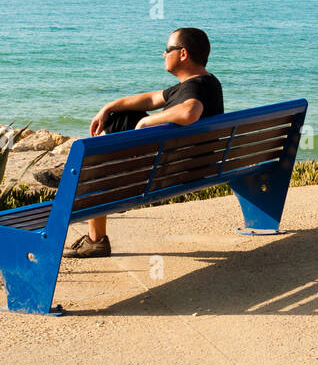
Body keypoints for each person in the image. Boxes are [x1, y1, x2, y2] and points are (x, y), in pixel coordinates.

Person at [61, 27, 224, 257]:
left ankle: (95, 238)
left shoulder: (194, 88)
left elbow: (191, 112)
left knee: (94, 172)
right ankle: (82, 170)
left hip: (167, 173)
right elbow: (149, 99)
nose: (163, 54)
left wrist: (147, 123)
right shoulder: (205, 83)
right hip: (193, 167)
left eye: (168, 50)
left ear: (183, 54)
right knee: (122, 116)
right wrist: (109, 107)